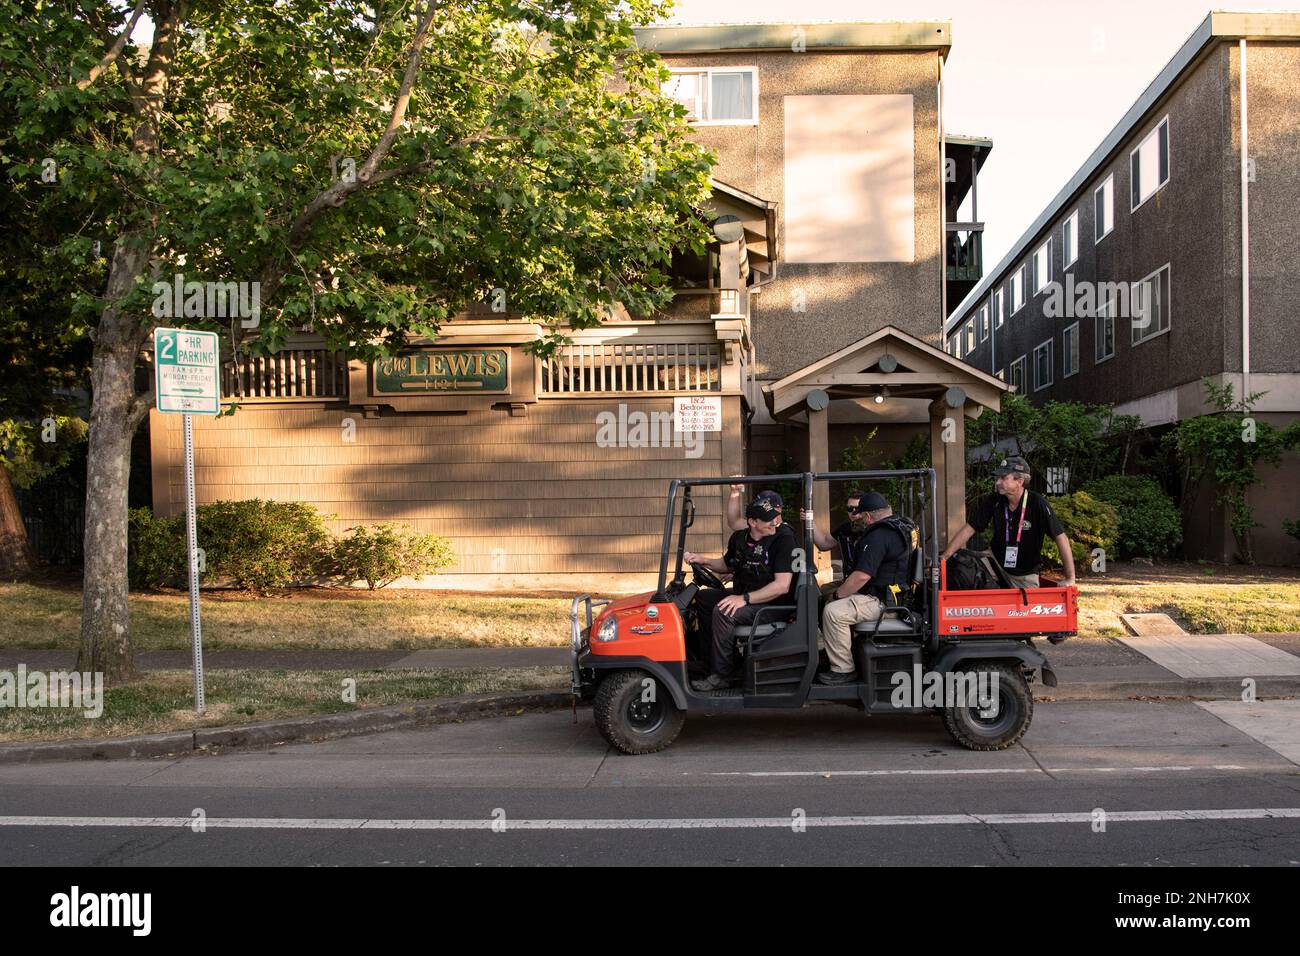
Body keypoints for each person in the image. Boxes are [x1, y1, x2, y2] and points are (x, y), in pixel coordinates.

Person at [684, 495, 797, 692]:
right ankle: (709, 661)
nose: (775, 521)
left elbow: (782, 586)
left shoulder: (783, 540)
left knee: (723, 611)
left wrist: (743, 599)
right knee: (704, 598)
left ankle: (721, 675)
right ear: (752, 522)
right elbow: (727, 565)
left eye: (775, 517)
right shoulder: (739, 539)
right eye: (769, 518)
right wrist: (702, 559)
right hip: (747, 596)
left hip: (773, 604)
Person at [818, 492, 917, 685]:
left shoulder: (878, 536)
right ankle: (839, 651)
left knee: (832, 611)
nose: (858, 519)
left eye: (861, 515)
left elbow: (861, 576)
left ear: (869, 517)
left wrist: (837, 596)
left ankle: (843, 669)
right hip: (896, 595)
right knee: (828, 597)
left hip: (882, 602)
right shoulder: (901, 526)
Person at [941, 455, 1076, 589]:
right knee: (961, 563)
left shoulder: (1037, 503)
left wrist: (1070, 578)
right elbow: (969, 529)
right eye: (997, 478)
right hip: (994, 564)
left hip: (1024, 575)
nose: (998, 482)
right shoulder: (993, 500)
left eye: (1003, 478)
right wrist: (944, 558)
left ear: (1020, 481)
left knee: (1025, 608)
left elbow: (1061, 537)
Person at [812, 491, 867, 597]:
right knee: (819, 592)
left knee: (831, 604)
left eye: (858, 509)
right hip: (848, 580)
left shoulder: (875, 532)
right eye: (850, 509)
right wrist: (809, 520)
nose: (854, 513)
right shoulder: (845, 529)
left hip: (866, 584)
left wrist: (837, 596)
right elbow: (824, 544)